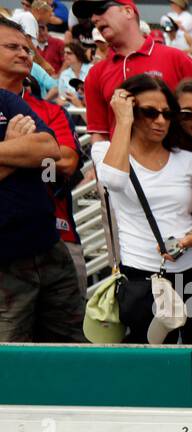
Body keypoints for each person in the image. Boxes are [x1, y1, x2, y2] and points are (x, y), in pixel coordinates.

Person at [91, 74, 192, 342]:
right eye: (149, 112)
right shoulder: (104, 151)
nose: (160, 121)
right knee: (151, 358)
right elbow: (114, 180)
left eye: (167, 114)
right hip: (141, 275)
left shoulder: (188, 160)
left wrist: (190, 240)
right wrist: (123, 120)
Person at [0, 31, 81, 342]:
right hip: (5, 260)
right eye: (12, 47)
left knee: (69, 350)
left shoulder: (8, 101)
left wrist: (13, 151)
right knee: (10, 362)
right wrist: (17, 150)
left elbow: (51, 152)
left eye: (27, 48)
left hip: (48, 246)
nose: (24, 53)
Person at [76, 0, 192, 141]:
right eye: (91, 16)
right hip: (120, 161)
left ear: (128, 12)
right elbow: (100, 134)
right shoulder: (95, 73)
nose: (94, 19)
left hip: (175, 158)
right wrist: (104, 162)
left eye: (100, 10)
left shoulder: (177, 59)